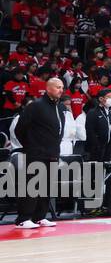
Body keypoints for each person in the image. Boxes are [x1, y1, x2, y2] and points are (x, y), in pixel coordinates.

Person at [13, 77, 65, 228]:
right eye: (57, 87)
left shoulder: (60, 107)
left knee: (47, 186)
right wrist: (31, 146)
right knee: (32, 185)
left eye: (62, 87)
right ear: (48, 88)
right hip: (36, 152)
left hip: (53, 152)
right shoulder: (35, 106)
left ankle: (39, 217)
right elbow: (19, 129)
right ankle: (23, 219)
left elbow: (59, 131)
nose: (61, 90)